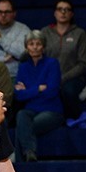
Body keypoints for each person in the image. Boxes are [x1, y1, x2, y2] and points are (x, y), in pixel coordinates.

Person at [13, 31, 64, 162]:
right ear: (26, 47)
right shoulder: (23, 67)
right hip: (31, 109)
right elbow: (19, 95)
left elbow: (52, 91)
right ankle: (29, 154)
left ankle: (23, 160)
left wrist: (28, 90)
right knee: (21, 115)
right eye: (31, 44)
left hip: (51, 110)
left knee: (24, 128)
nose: (35, 47)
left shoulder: (52, 64)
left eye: (38, 44)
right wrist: (39, 88)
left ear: (43, 47)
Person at [41, 0, 86, 120]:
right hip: (48, 77)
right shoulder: (45, 32)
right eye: (60, 9)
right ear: (55, 13)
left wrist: (63, 78)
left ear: (71, 14)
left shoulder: (79, 33)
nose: (63, 12)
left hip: (72, 78)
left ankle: (73, 121)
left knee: (68, 90)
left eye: (67, 10)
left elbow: (82, 63)